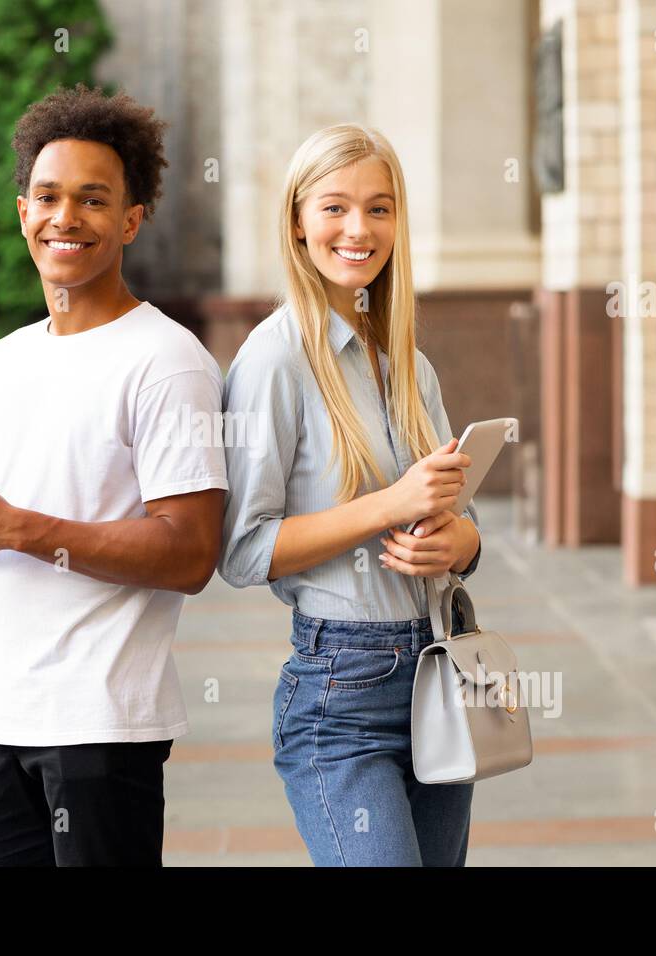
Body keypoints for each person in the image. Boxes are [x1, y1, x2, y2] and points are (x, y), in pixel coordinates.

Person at [0, 85, 227, 866]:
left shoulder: (168, 363)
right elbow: (24, 523)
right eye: (49, 196)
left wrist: (17, 527)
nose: (67, 217)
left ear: (131, 220)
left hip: (98, 721)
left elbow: (190, 553)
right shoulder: (9, 359)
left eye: (93, 200)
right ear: (23, 212)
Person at [218, 124, 482, 867]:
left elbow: (462, 521)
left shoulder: (408, 362)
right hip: (342, 695)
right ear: (298, 224)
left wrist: (460, 540)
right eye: (334, 208)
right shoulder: (273, 360)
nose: (358, 229)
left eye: (379, 207)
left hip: (436, 668)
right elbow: (242, 552)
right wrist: (388, 506)